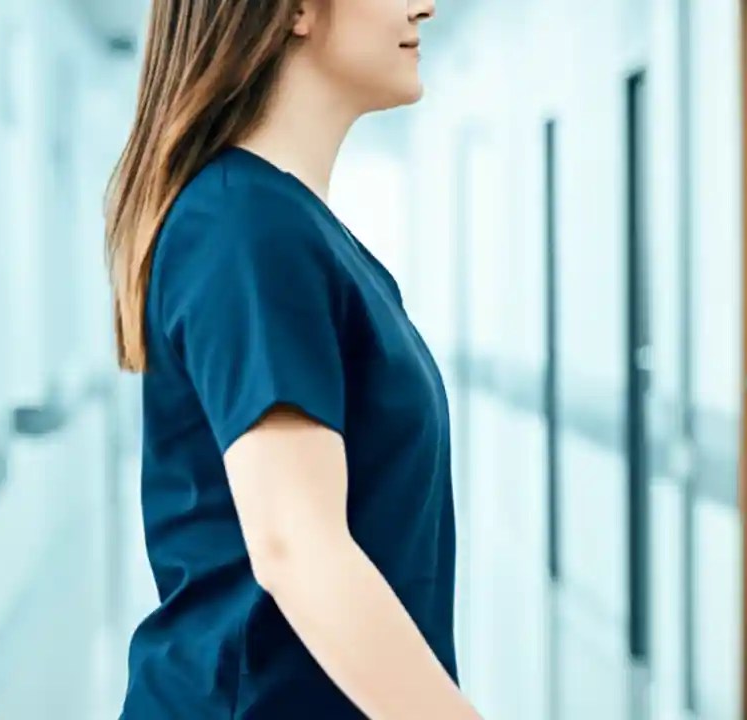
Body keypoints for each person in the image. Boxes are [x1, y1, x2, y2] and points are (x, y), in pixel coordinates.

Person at [104, 1, 481, 717]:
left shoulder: (287, 224)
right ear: (296, 9)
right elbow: (297, 548)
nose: (425, 5)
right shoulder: (244, 223)